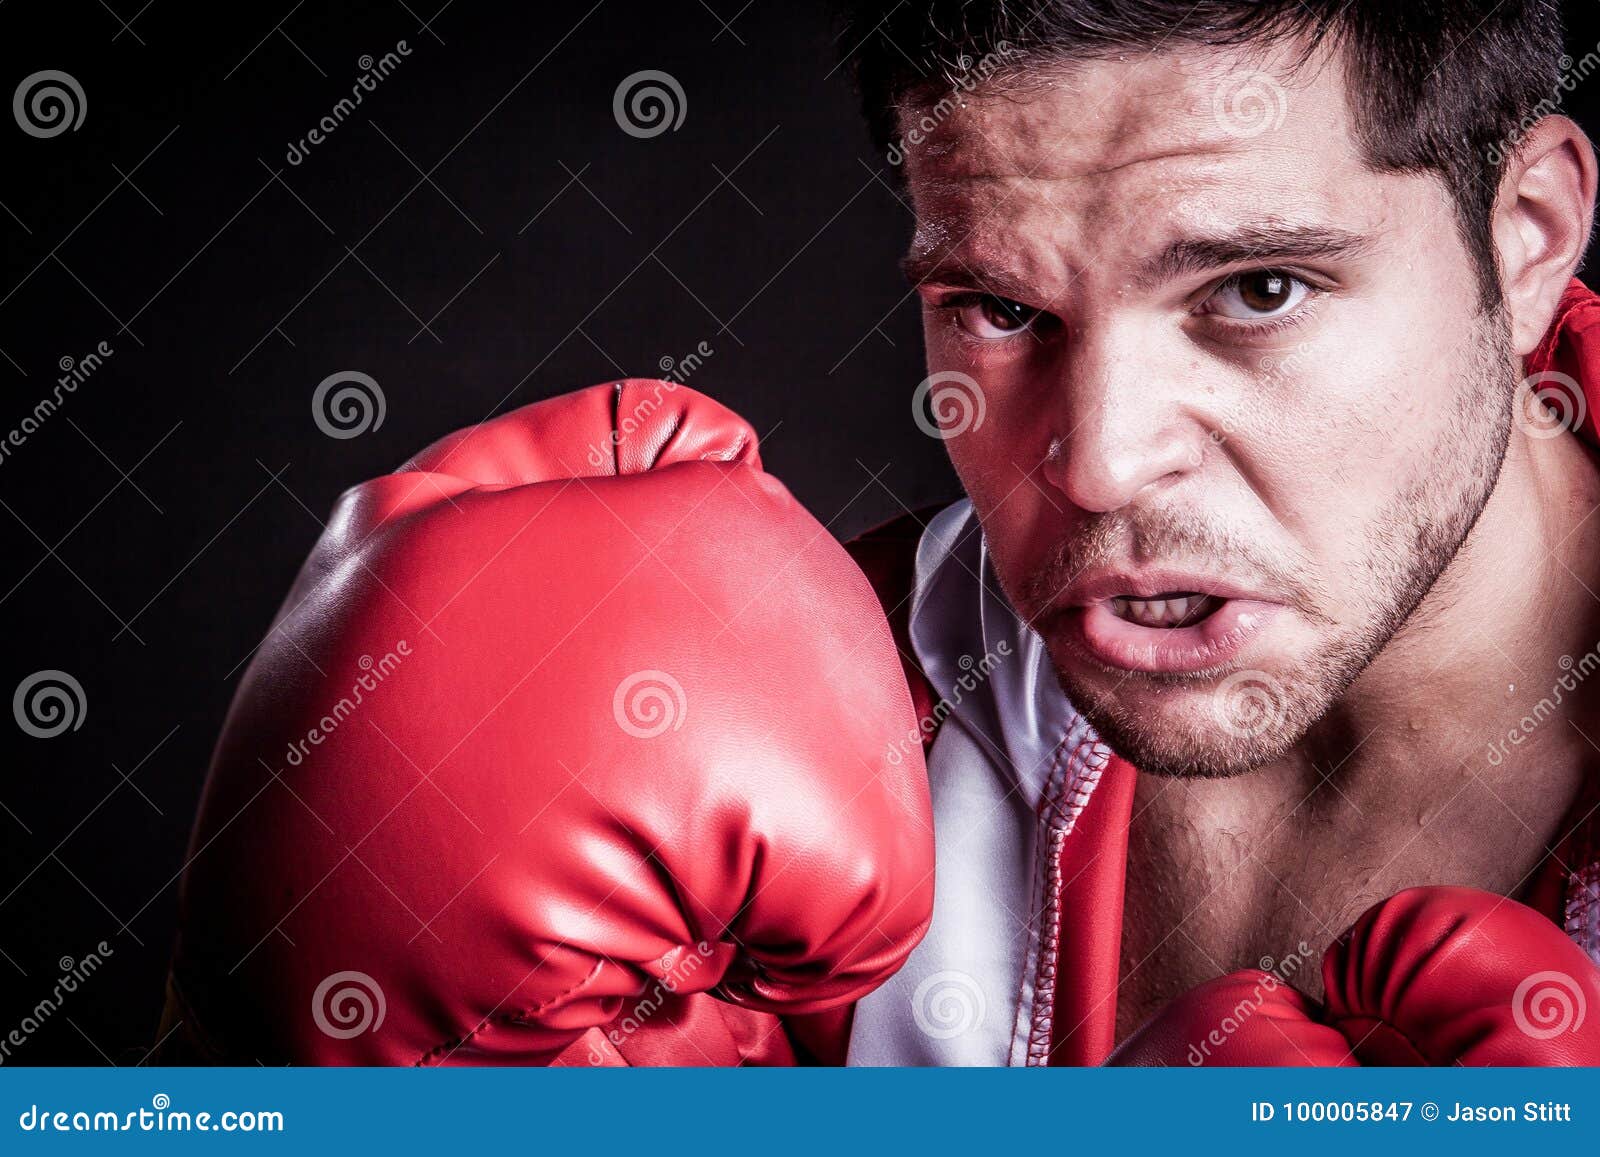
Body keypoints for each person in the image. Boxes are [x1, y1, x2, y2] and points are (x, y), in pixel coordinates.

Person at [157, 1, 1600, 1066]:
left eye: (1258, 290)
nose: (1093, 461)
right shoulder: (808, 728)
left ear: (1525, 236)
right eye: (1002, 310)